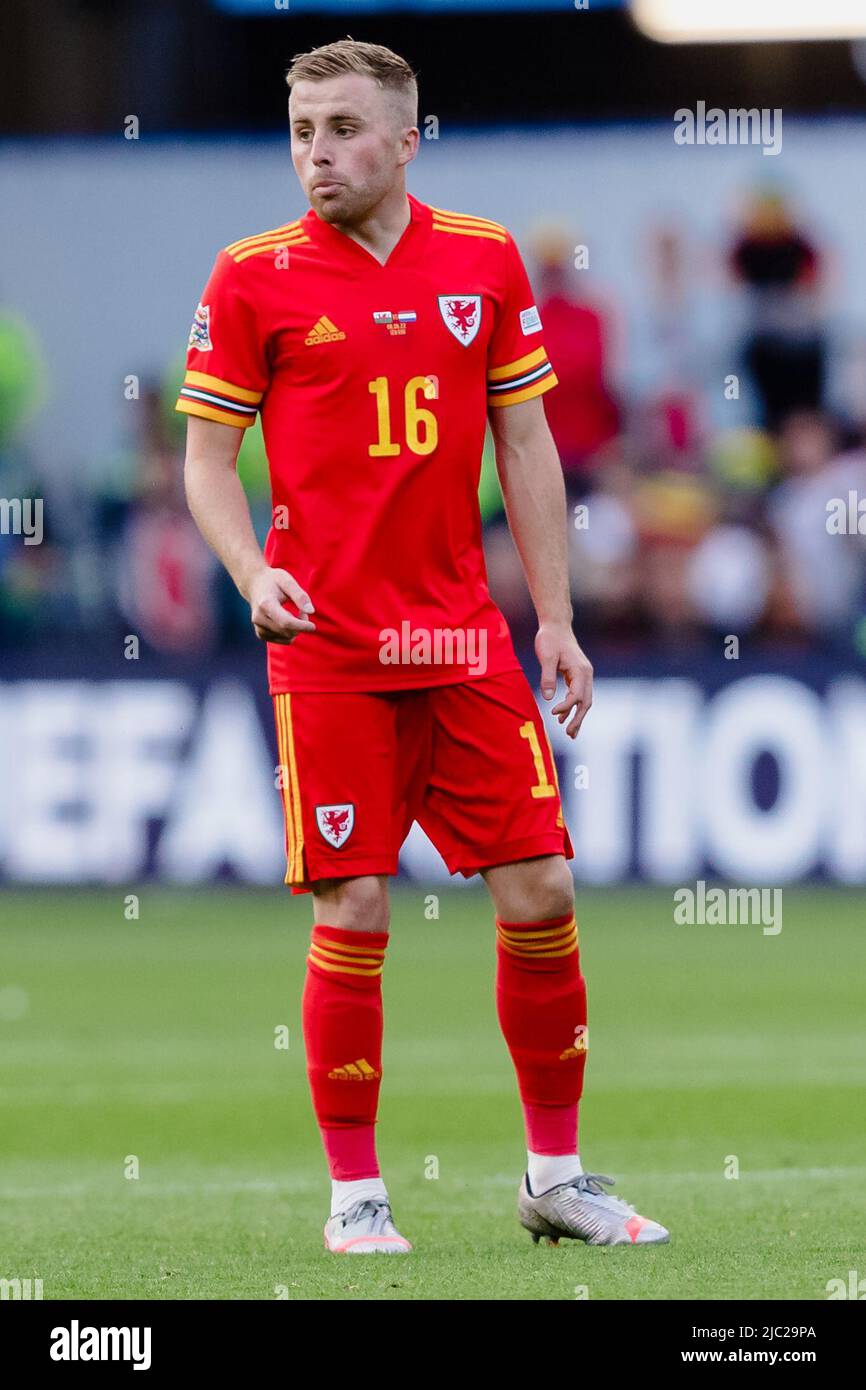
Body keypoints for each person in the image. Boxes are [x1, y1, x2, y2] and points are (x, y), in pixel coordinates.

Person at [178, 38, 668, 1254]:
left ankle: (552, 1178)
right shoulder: (252, 277)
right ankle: (356, 1199)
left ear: (407, 140)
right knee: (353, 908)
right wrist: (254, 570)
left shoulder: (484, 262)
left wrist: (552, 618)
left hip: (459, 636)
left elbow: (528, 445)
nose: (317, 154)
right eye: (300, 130)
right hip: (329, 645)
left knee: (543, 885)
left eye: (343, 128)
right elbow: (200, 461)